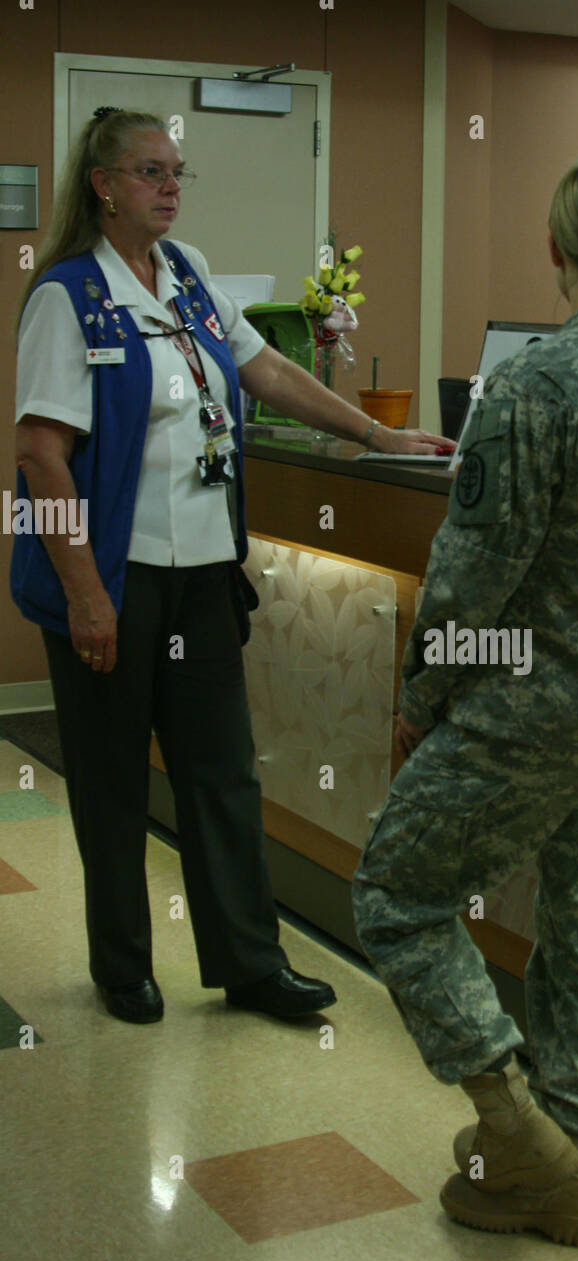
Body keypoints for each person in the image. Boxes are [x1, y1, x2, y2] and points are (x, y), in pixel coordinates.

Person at [351, 156, 578, 1246]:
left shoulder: (528, 383)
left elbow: (476, 563)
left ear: (555, 251)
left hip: (527, 703)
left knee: (396, 892)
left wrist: (420, 691)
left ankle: (514, 1130)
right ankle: (576, 1171)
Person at [11, 107, 454, 1026]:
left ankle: (251, 966)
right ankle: (123, 965)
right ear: (103, 186)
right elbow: (39, 454)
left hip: (206, 576)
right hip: (116, 579)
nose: (171, 187)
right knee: (110, 782)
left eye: (178, 173)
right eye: (150, 172)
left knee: (221, 774)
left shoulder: (187, 274)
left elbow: (266, 374)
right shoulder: (67, 296)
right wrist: (86, 593)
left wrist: (376, 433)